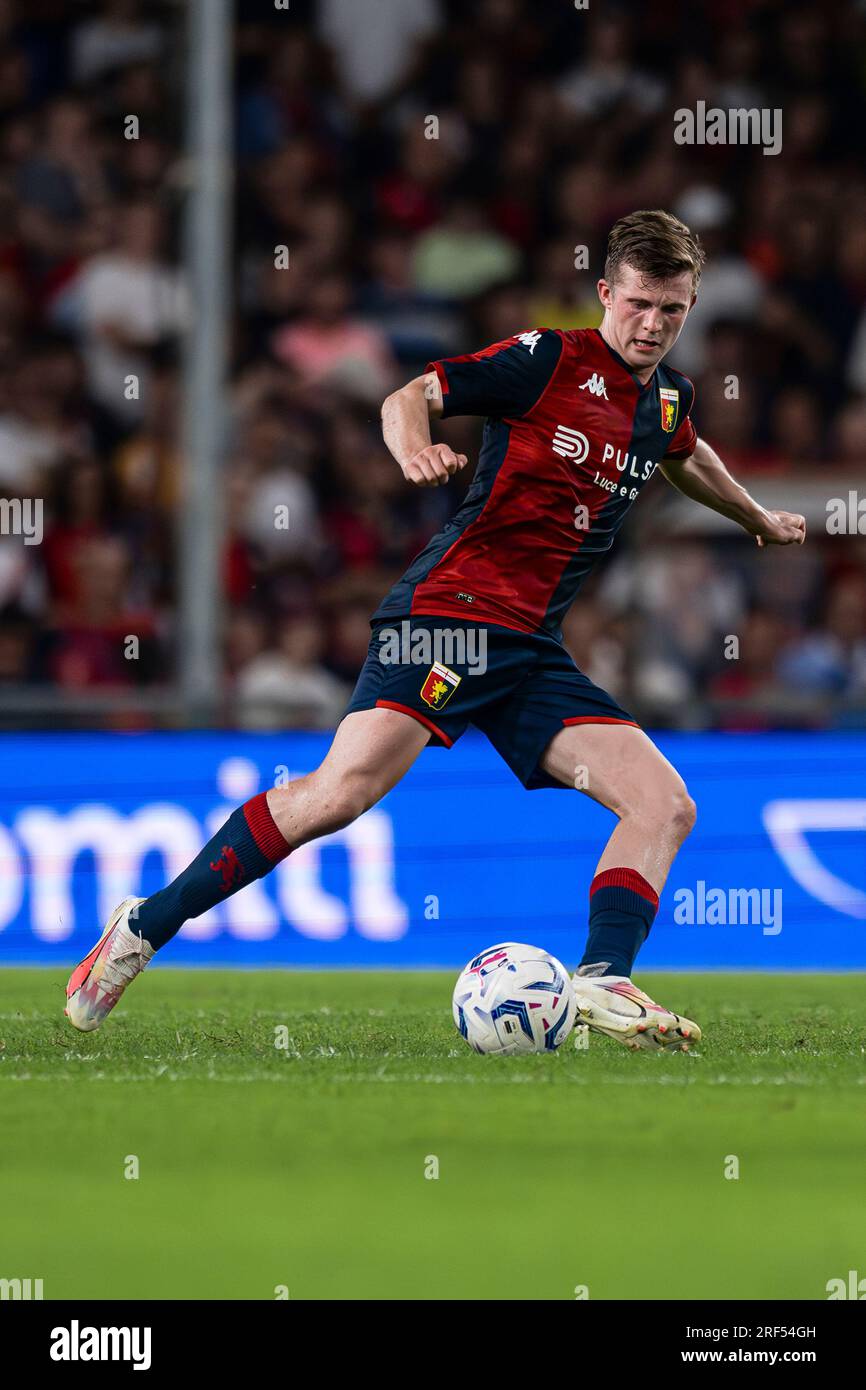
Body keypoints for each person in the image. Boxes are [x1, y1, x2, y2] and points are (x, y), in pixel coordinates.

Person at [66, 210, 806, 1050]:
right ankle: (144, 926)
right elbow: (409, 394)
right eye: (638, 304)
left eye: (672, 311)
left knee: (664, 803)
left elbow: (686, 450)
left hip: (530, 651)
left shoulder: (667, 399)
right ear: (604, 293)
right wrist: (413, 449)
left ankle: (604, 981)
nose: (652, 326)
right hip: (448, 618)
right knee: (339, 796)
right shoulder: (547, 359)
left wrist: (752, 516)